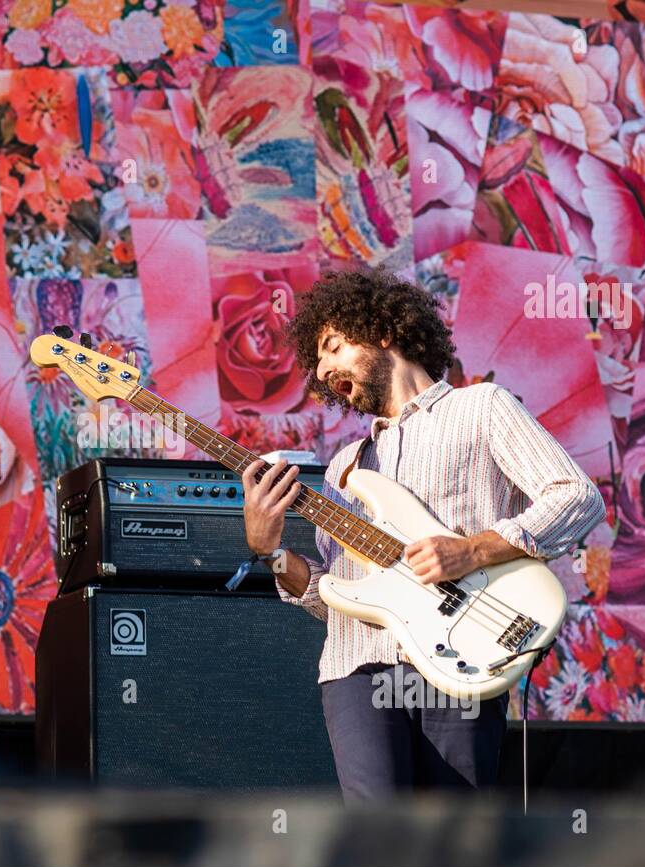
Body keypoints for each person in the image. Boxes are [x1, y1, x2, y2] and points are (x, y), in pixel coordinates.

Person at [241, 267, 604, 800]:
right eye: (317, 361)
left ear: (382, 331)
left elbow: (576, 496)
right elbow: (329, 596)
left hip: (464, 650)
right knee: (376, 840)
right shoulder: (346, 468)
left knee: (451, 839)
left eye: (333, 347)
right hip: (356, 668)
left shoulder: (482, 408)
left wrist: (471, 551)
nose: (322, 370)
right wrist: (269, 552)